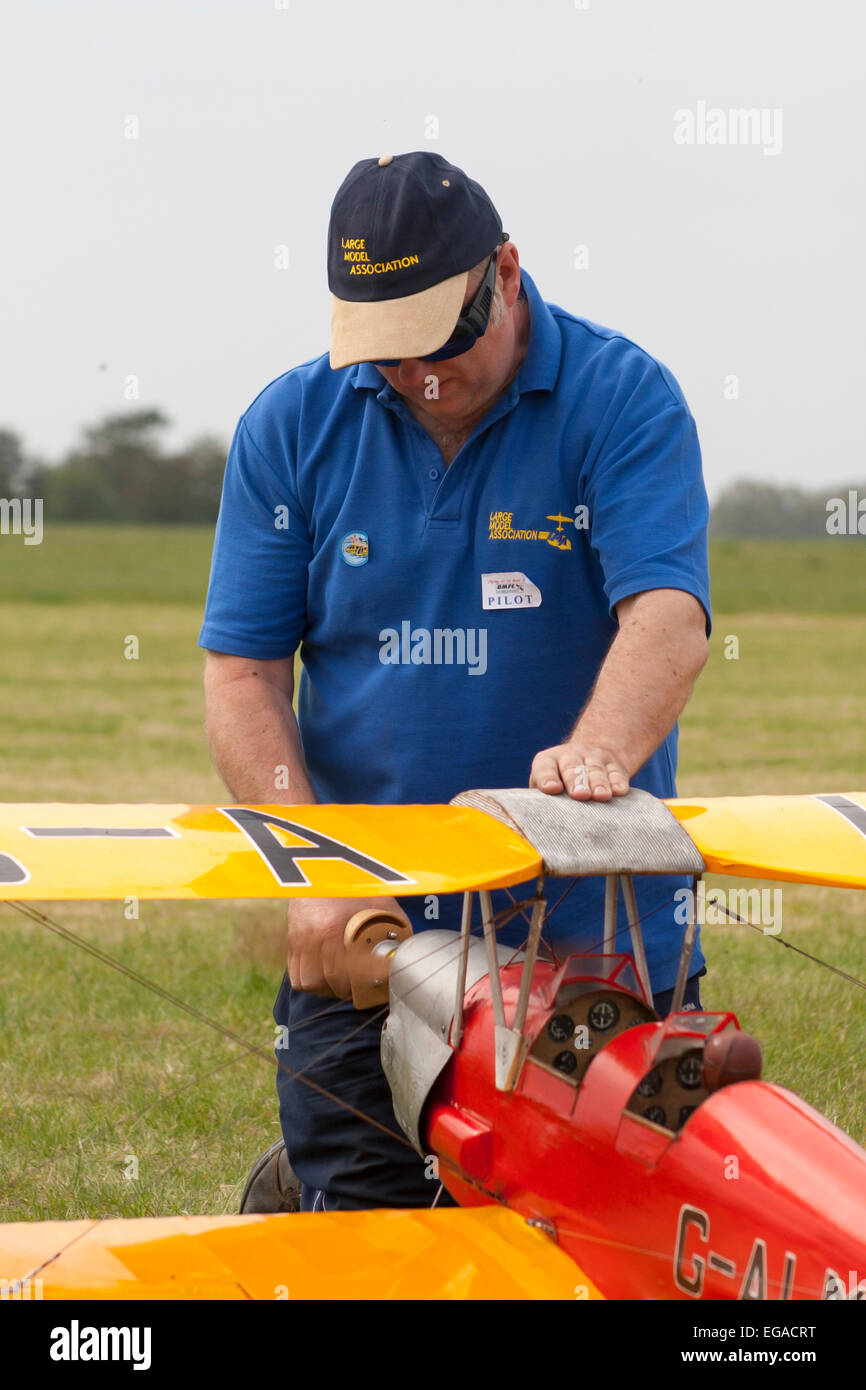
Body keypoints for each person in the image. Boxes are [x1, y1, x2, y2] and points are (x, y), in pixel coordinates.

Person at [199, 151, 711, 1213]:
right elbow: (243, 668)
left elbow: (665, 613)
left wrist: (598, 751)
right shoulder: (288, 425)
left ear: (506, 273)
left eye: (438, 340)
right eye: (386, 353)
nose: (416, 374)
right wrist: (311, 866)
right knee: (370, 1238)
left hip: (591, 938)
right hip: (370, 935)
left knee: (600, 1237)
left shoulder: (622, 398)